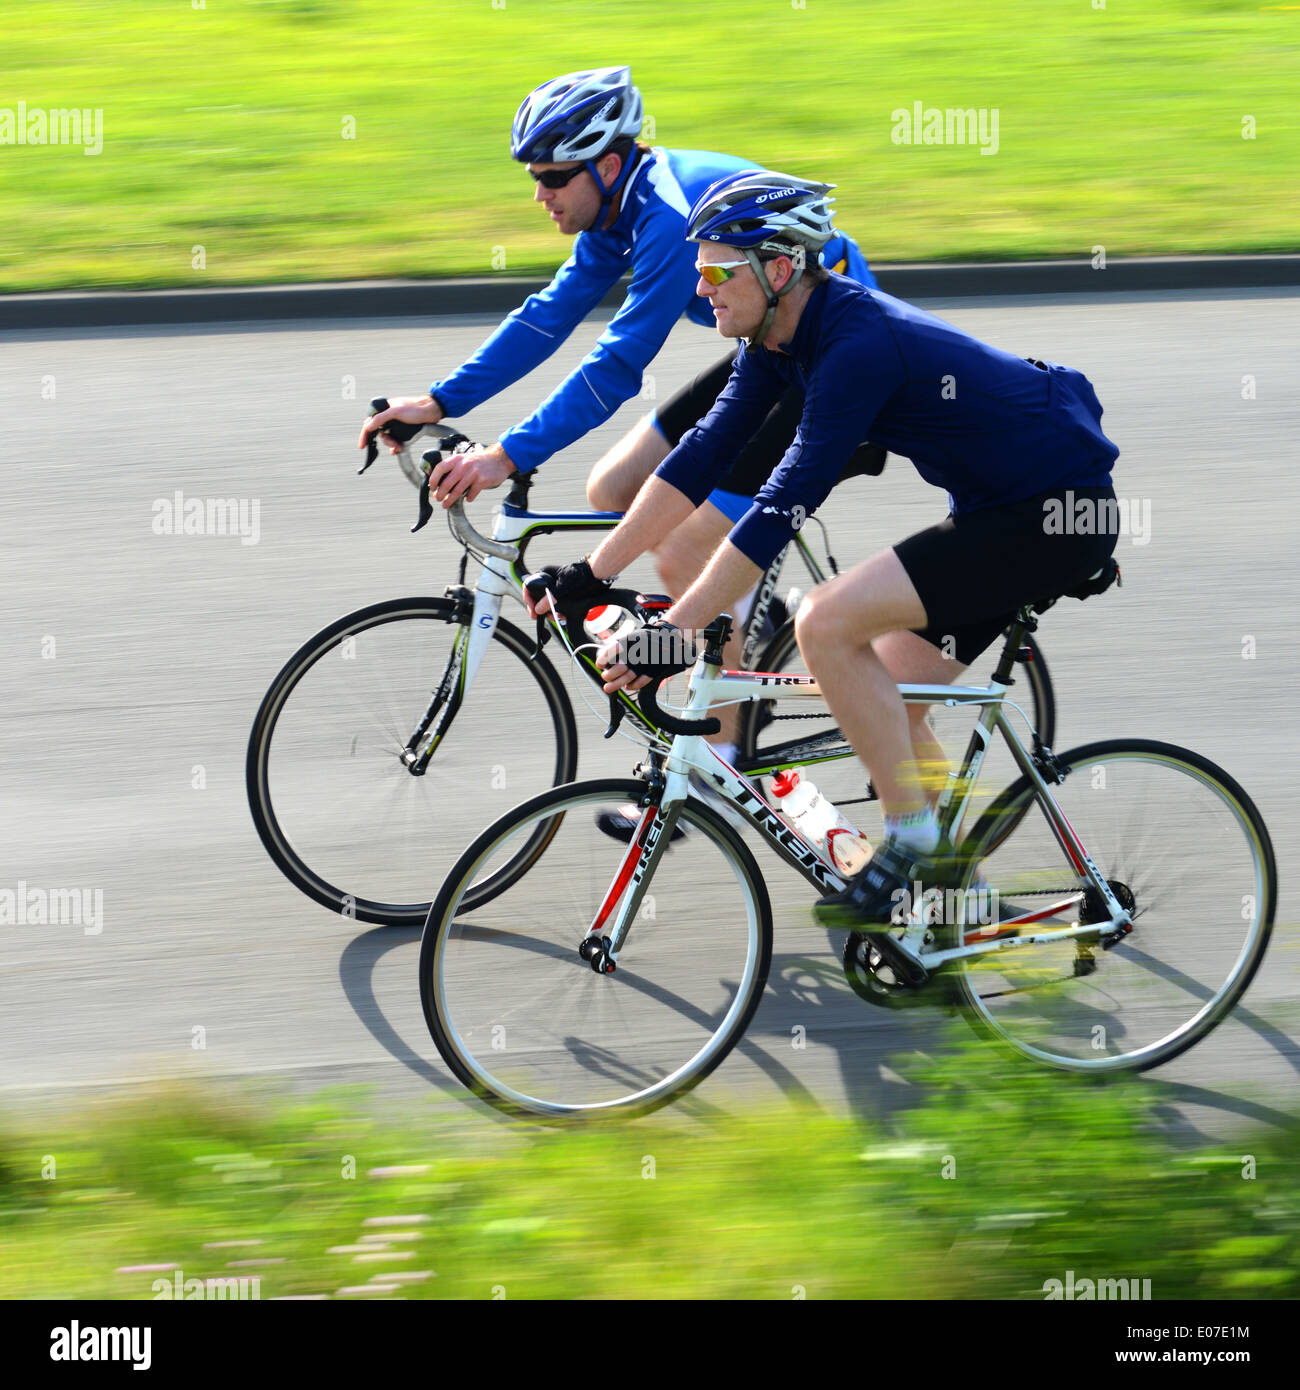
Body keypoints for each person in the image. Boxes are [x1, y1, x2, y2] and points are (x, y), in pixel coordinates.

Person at [526, 168, 1121, 929]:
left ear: (778, 270)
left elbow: (780, 507)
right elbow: (700, 456)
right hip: (998, 510)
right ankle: (945, 902)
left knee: (824, 621)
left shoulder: (855, 346)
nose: (701, 286)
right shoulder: (778, 339)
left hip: (1051, 516)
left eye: (716, 270)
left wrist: (677, 626)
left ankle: (909, 848)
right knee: (887, 703)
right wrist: (590, 572)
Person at [358, 68, 883, 812]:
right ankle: (737, 621)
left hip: (834, 366)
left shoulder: (667, 219)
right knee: (613, 492)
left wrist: (507, 455)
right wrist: (439, 400)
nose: (538, 194)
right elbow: (548, 318)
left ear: (606, 164)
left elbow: (616, 367)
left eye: (550, 177)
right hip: (770, 356)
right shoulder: (614, 211)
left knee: (682, 544)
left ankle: (712, 761)